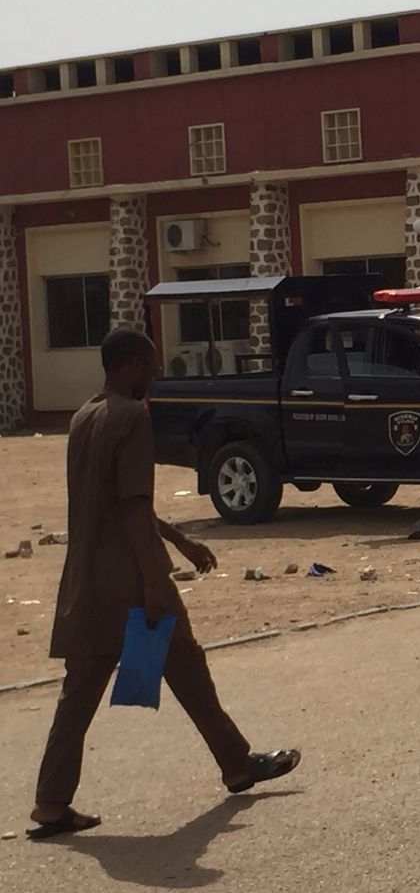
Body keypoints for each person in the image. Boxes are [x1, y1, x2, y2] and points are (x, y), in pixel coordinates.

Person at [27, 328, 300, 841]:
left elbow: (115, 500)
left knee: (86, 688)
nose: (154, 376)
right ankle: (237, 764)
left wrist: (180, 540)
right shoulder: (133, 418)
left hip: (87, 581)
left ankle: (50, 802)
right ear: (131, 365)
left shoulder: (84, 417)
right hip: (131, 580)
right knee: (184, 660)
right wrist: (155, 581)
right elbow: (132, 505)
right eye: (151, 367)